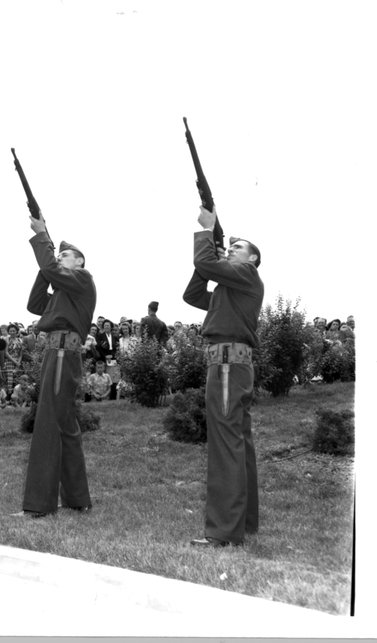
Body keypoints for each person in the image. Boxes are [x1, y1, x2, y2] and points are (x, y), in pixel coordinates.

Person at [183, 206, 264, 547]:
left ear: (252, 259)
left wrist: (207, 232)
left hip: (228, 365)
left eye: (238, 247)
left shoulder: (246, 274)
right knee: (238, 442)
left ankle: (223, 531)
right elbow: (192, 294)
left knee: (225, 445)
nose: (232, 249)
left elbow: (204, 263)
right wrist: (211, 261)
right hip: (230, 364)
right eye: (229, 246)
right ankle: (243, 522)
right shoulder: (229, 290)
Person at [19, 217, 96, 518]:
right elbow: (34, 304)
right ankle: (77, 499)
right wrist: (46, 269)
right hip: (57, 352)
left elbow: (53, 269)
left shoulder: (83, 278)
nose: (59, 258)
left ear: (79, 262)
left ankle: (39, 504)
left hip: (63, 352)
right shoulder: (65, 294)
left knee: (49, 423)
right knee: (64, 425)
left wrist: (42, 238)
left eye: (65, 255)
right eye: (58, 254)